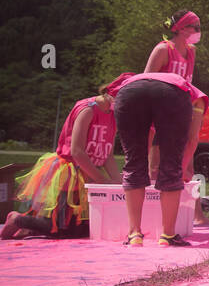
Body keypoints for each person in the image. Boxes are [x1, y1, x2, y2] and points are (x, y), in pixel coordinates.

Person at [4, 78, 127, 239]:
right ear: (114, 95)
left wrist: (118, 182)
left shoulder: (113, 115)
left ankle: (32, 228)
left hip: (88, 173)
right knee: (58, 228)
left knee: (84, 230)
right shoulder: (88, 110)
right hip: (69, 173)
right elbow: (77, 151)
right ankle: (18, 220)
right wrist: (101, 180)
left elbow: (107, 153)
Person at [113, 70, 209, 246]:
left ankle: (134, 234)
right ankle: (167, 235)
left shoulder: (141, 81)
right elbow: (192, 139)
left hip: (129, 92)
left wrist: (147, 163)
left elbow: (147, 136)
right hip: (170, 95)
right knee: (171, 165)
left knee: (133, 162)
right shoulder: (196, 95)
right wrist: (182, 168)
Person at [144, 11, 200, 181]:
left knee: (186, 169)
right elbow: (144, 81)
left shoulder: (191, 51)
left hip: (181, 113)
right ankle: (153, 204)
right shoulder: (163, 49)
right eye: (195, 27)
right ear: (182, 28)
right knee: (155, 168)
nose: (199, 31)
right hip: (160, 115)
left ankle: (185, 206)